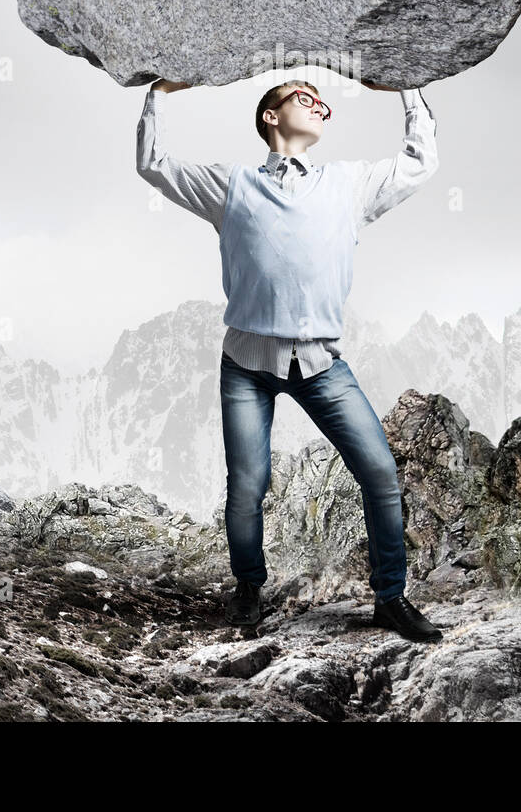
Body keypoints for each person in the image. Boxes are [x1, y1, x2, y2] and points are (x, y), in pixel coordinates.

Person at [136, 73, 444, 642]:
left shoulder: (348, 186)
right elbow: (154, 163)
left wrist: (407, 86)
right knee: (249, 485)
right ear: (271, 117)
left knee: (379, 471)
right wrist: (159, 93)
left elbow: (420, 160)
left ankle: (390, 598)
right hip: (246, 366)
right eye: (303, 96)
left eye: (323, 100)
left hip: (322, 365)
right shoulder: (230, 185)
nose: (319, 102)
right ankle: (249, 589)